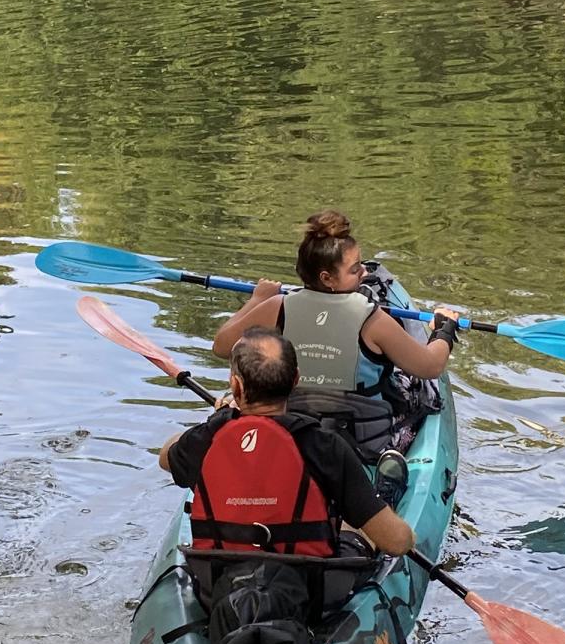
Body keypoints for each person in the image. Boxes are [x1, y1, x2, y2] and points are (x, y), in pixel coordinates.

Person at [212, 211, 459, 463]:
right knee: (414, 385)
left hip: (293, 428)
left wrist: (257, 299)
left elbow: (221, 346)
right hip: (362, 442)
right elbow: (430, 366)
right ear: (326, 278)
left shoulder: (277, 307)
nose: (364, 272)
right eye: (355, 269)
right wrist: (444, 330)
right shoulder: (372, 319)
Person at [159, 326, 414, 558]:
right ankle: (384, 499)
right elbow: (397, 543)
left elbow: (165, 457)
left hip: (217, 574)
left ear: (235, 385)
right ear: (295, 380)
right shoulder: (324, 445)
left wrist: (217, 421)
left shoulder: (208, 439)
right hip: (307, 578)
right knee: (351, 525)